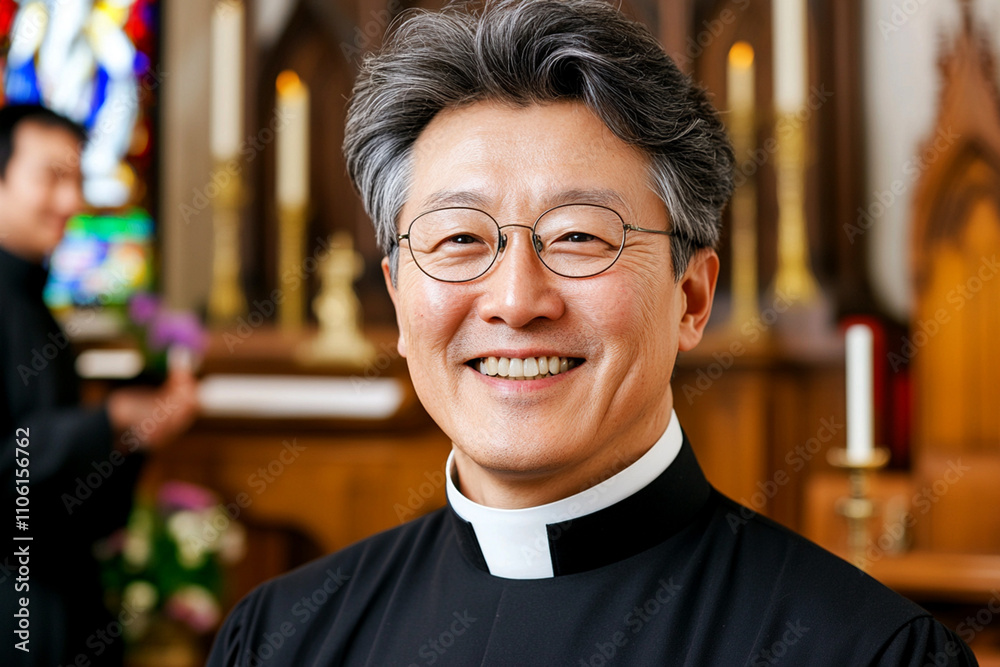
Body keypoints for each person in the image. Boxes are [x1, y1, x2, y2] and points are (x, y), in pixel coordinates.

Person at [208, 1, 978, 665]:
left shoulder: (858, 649)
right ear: (398, 296)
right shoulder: (284, 637)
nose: (516, 299)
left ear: (690, 296)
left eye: (579, 236)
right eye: (459, 239)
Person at [0, 104, 199, 666]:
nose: (71, 202)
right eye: (52, 177)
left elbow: (73, 504)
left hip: (63, 598)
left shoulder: (32, 304)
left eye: (78, 179)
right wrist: (110, 418)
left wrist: (136, 433)